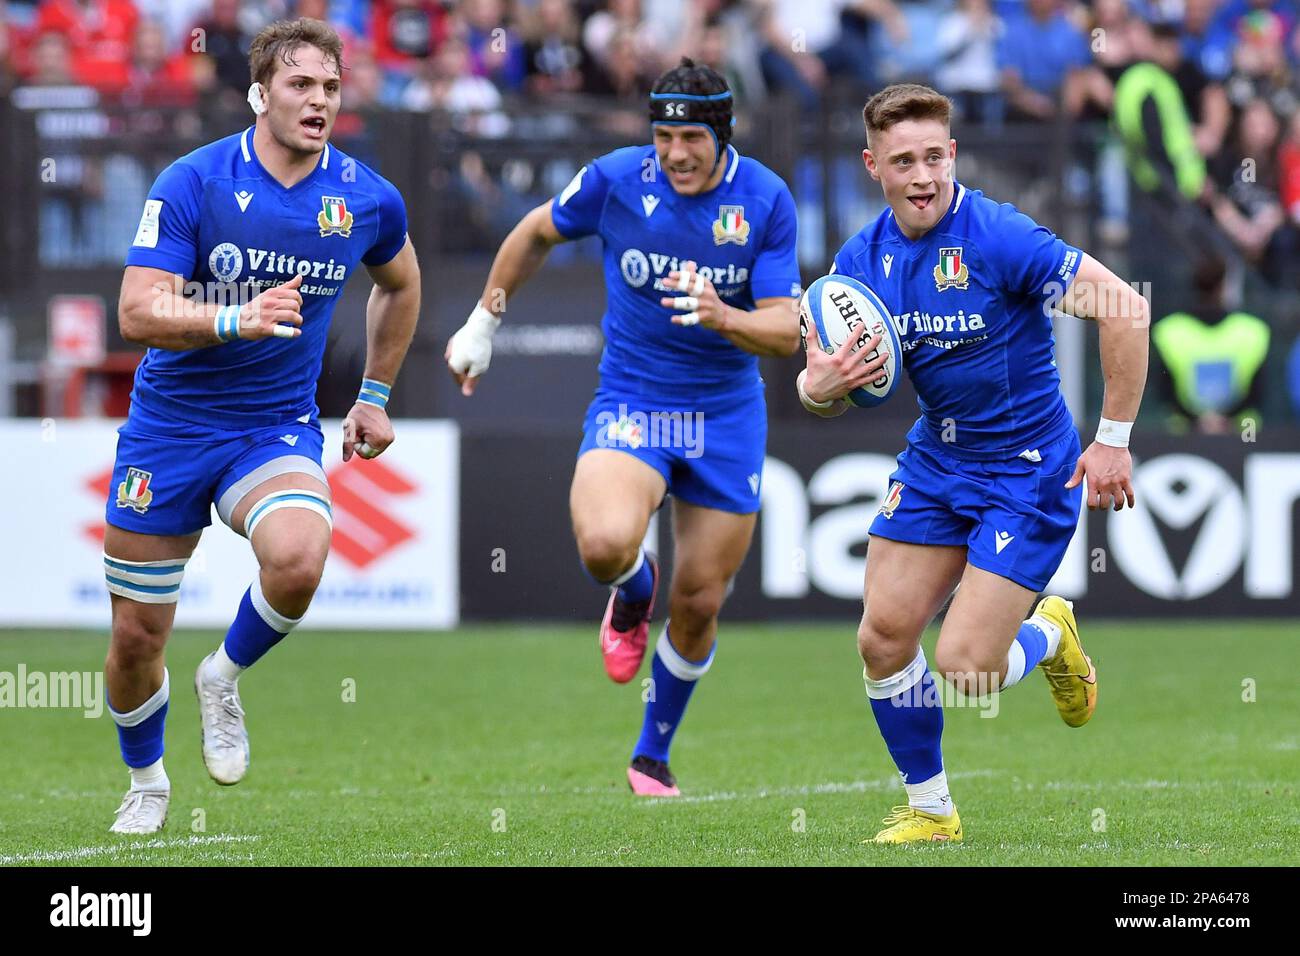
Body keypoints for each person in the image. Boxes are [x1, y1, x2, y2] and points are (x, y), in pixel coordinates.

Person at [798, 83, 1149, 843]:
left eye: (934, 156)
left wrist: (1113, 438)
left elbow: (1126, 307)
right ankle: (933, 814)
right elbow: (822, 386)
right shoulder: (861, 263)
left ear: (953, 154)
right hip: (938, 459)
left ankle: (1051, 633)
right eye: (903, 162)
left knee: (967, 668)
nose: (922, 176)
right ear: (872, 167)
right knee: (882, 637)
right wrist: (816, 386)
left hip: (1027, 469)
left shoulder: (998, 236)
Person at [445, 58, 801, 796]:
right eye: (663, 135)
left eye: (691, 138)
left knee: (700, 601)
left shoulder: (765, 199)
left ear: (722, 135)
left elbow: (785, 332)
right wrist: (485, 322)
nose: (675, 153)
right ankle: (634, 589)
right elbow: (535, 232)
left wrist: (724, 315)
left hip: (725, 415)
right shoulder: (616, 179)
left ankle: (653, 752)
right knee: (607, 545)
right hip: (635, 401)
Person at [104, 17, 421, 834]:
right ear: (259, 93)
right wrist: (232, 319)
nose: (318, 102)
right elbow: (137, 310)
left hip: (271, 428)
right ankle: (146, 783)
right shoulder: (193, 181)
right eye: (300, 85)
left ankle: (223, 674)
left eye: (330, 88)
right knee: (137, 637)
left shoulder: (364, 196)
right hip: (169, 429)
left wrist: (376, 394)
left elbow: (402, 282)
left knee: (299, 558)